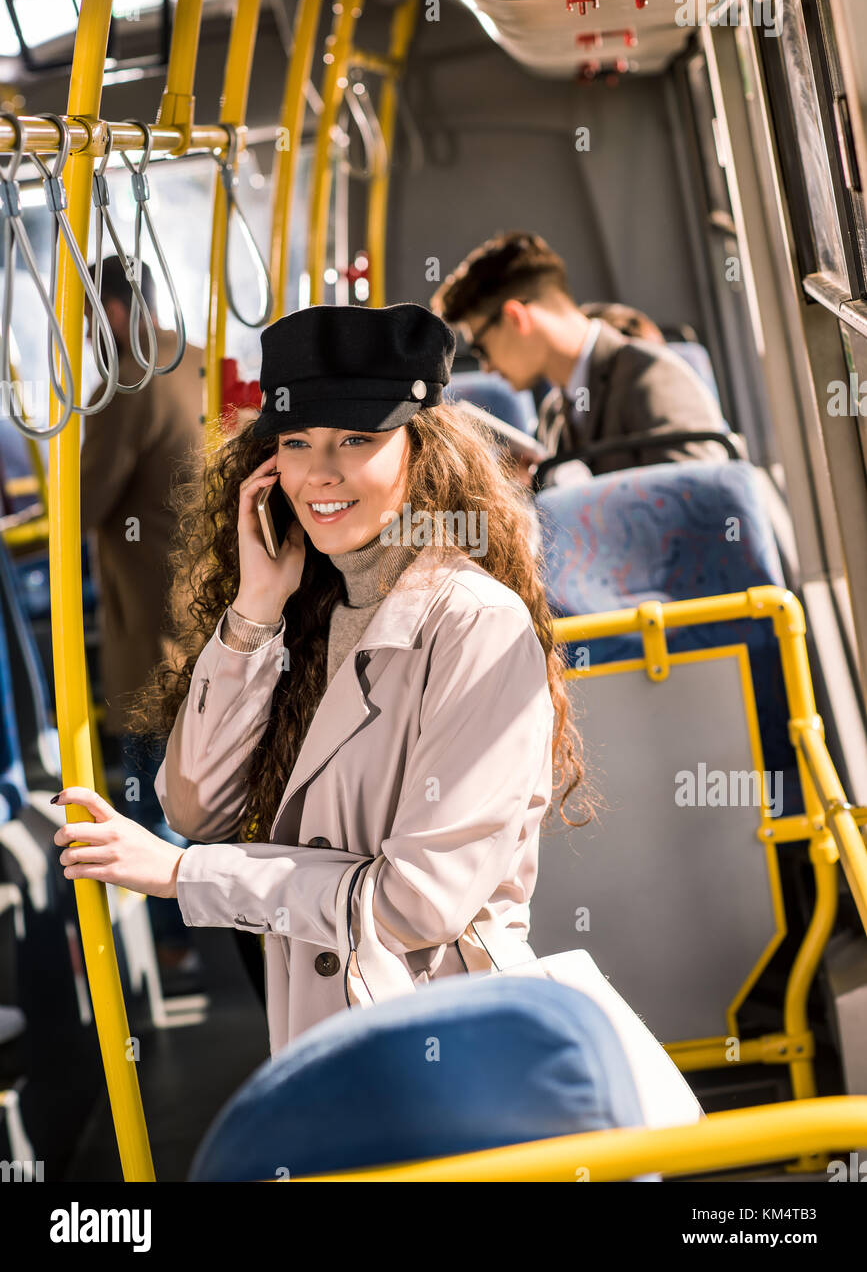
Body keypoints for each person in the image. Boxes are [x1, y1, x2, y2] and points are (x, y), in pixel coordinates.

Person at [52, 302, 587, 1056]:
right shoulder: (301, 607)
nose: (319, 473)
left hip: (446, 1040)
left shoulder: (473, 623)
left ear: (419, 450)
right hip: (323, 1035)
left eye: (356, 440)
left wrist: (185, 875)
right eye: (297, 442)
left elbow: (417, 902)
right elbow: (195, 804)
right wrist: (253, 610)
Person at [80, 255, 204, 972]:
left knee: (148, 800)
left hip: (154, 631)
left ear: (113, 315)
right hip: (204, 615)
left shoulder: (127, 385)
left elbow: (84, 502)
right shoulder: (187, 356)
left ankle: (171, 947)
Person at [430, 231, 729, 475]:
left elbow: (700, 511)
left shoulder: (652, 377)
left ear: (515, 317)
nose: (487, 368)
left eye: (481, 349)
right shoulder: (553, 413)